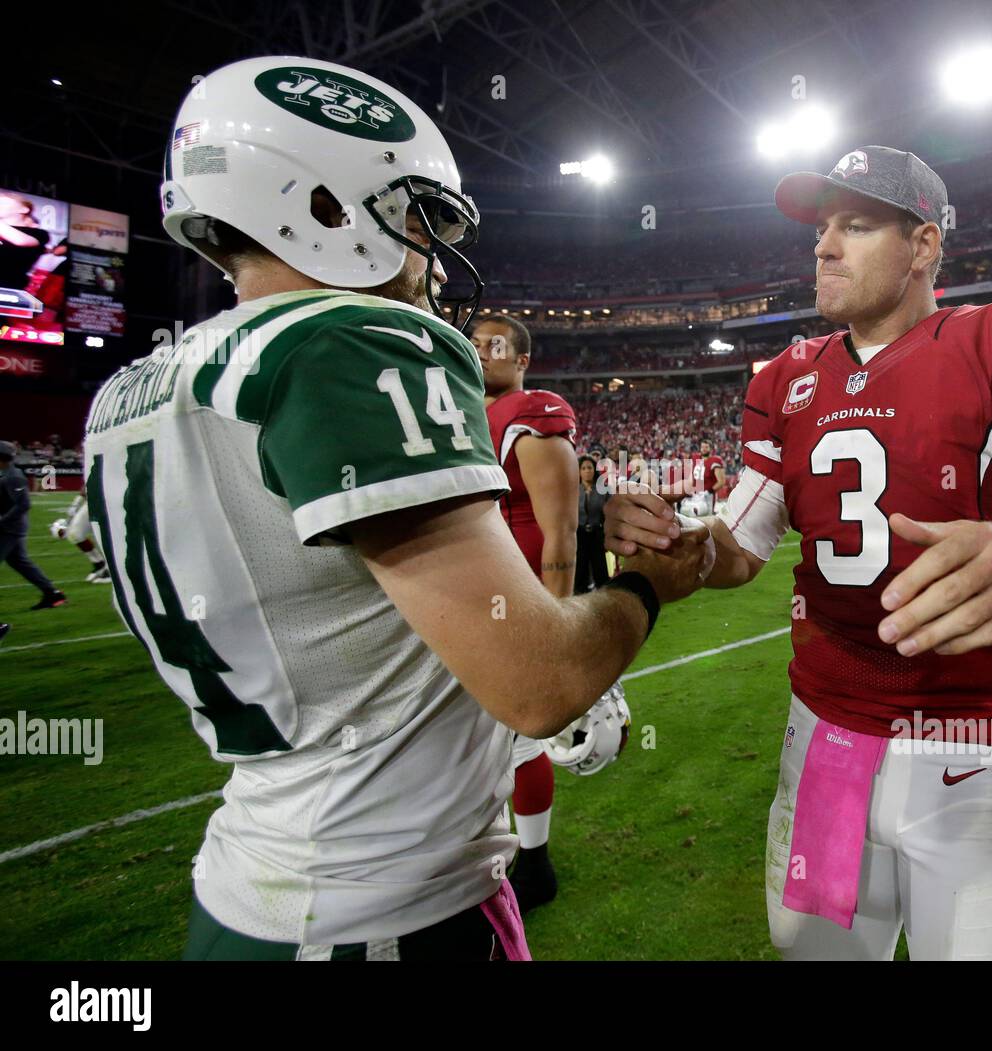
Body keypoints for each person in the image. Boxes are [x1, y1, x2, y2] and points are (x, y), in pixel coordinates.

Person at [84, 56, 707, 962]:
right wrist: (648, 584)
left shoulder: (134, 388)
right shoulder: (345, 341)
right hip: (381, 910)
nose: (430, 254)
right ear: (327, 206)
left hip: (248, 886)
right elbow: (539, 682)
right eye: (417, 216)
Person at [605, 145, 992, 961]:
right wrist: (673, 544)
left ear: (925, 246)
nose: (823, 246)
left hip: (966, 751)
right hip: (820, 739)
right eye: (822, 228)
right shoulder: (786, 377)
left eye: (856, 226)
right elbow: (739, 549)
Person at [472, 313, 578, 912]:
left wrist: (556, 627)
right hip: (471, 595)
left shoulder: (531, 412)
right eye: (476, 343)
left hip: (519, 597)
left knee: (518, 740)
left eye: (496, 345)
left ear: (522, 360)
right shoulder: (460, 411)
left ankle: (535, 863)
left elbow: (560, 534)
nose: (483, 352)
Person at [0, 440, 67, 611]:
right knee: (19, 562)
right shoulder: (5, 473)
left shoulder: (13, 476)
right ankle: (52, 594)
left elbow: (24, 505)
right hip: (10, 528)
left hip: (9, 530)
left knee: (19, 562)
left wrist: (2, 520)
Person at [576, 456, 610, 591]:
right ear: (578, 471)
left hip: (597, 534)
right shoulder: (573, 489)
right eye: (583, 468)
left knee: (600, 569)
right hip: (579, 534)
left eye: (589, 467)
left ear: (594, 470)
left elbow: (609, 513)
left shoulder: (603, 489)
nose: (587, 471)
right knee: (580, 569)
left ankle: (605, 600)